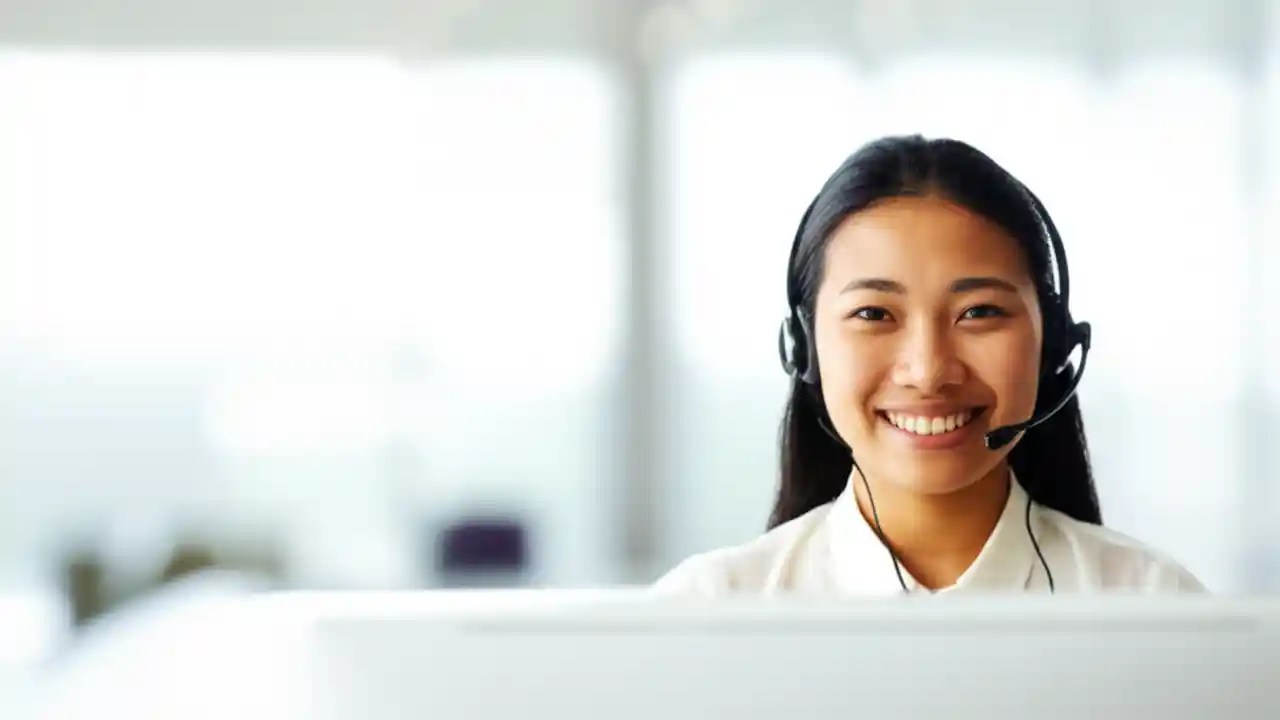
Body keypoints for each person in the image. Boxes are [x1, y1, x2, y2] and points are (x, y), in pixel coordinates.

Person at [655, 135, 1203, 595]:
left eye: (979, 312)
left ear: (1053, 345)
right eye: (874, 313)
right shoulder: (706, 611)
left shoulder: (1153, 602)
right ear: (805, 347)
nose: (928, 370)